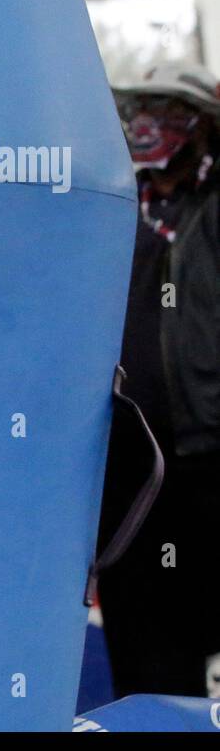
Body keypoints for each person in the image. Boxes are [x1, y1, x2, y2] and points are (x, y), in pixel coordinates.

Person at [98, 62, 220, 699]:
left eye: (167, 107)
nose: (147, 120)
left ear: (201, 121)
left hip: (210, 462)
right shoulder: (107, 205)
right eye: (138, 105)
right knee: (150, 659)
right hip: (136, 472)